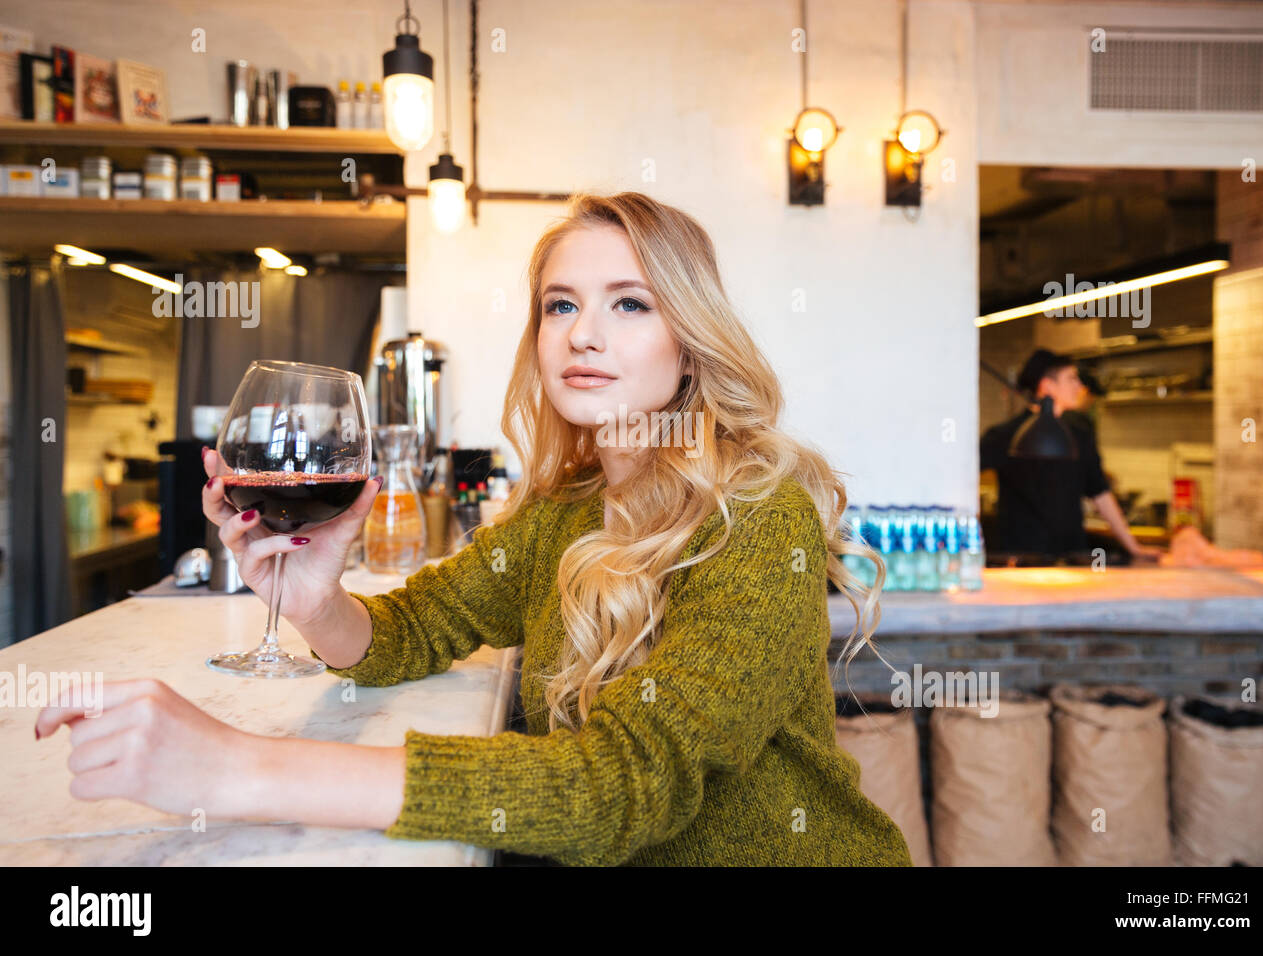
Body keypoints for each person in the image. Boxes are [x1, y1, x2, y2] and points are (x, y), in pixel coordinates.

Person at [36, 192, 911, 867]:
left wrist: (236, 766)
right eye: (560, 306)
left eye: (631, 305)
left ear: (691, 341)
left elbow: (623, 790)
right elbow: (411, 630)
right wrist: (315, 601)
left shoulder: (755, 518)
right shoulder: (558, 515)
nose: (585, 335)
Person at [979, 348, 1162, 563]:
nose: (1080, 386)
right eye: (1071, 379)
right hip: (1022, 559)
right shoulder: (1003, 435)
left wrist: (1134, 548)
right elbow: (964, 480)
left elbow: (1100, 492)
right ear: (1047, 386)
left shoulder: (1080, 433)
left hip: (1072, 558)